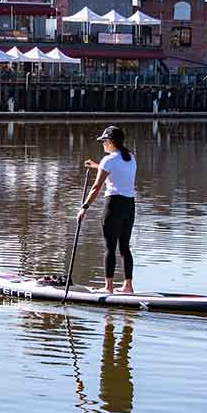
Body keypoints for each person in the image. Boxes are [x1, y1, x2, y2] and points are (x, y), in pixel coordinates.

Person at [77, 125, 136, 294]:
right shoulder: (130, 158)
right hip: (129, 206)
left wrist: (84, 207)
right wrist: (97, 166)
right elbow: (118, 172)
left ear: (110, 142)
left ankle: (108, 287)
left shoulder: (108, 160)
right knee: (125, 247)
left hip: (113, 205)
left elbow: (96, 187)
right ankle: (128, 286)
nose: (102, 144)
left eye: (104, 141)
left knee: (110, 247)